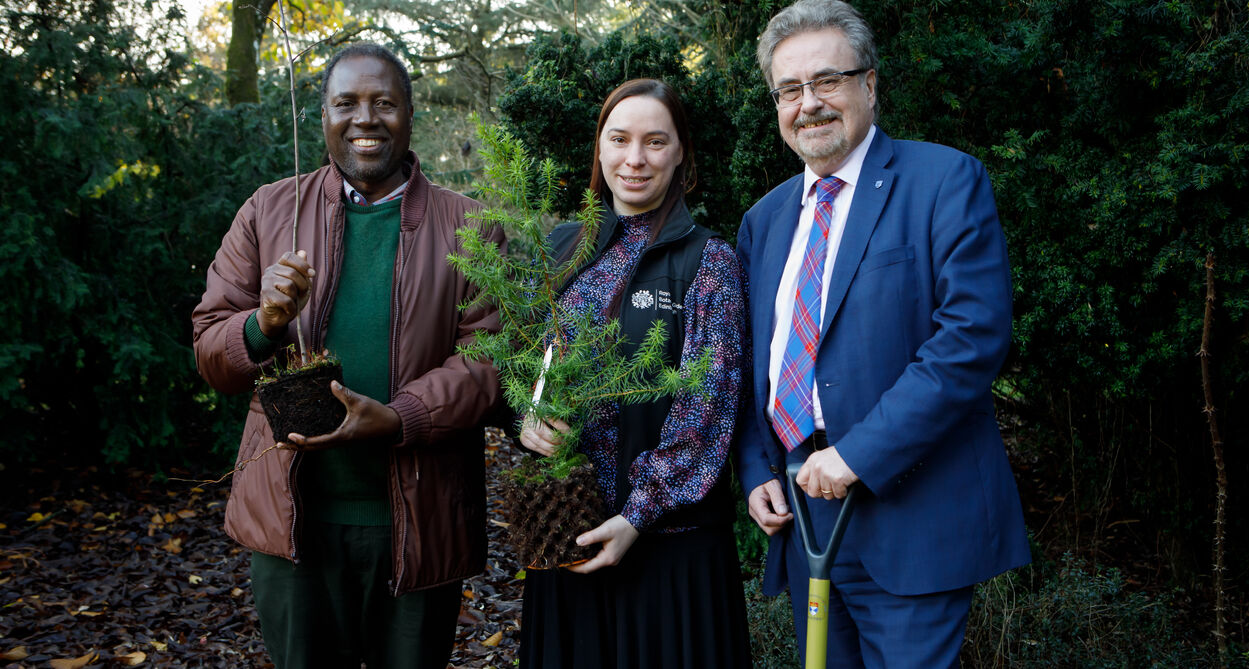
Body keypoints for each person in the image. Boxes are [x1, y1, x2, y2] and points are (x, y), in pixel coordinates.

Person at [734, 1, 1032, 666]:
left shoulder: (944, 180)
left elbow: (969, 342)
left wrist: (856, 455)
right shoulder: (765, 221)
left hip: (913, 515)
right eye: (790, 89)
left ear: (870, 83)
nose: (808, 103)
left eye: (827, 80)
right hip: (803, 511)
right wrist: (756, 468)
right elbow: (757, 356)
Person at [191, 43, 503, 669]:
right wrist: (264, 322)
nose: (366, 118)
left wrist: (398, 418)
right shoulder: (269, 212)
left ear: (410, 115)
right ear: (324, 117)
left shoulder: (471, 226)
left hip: (420, 519)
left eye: (384, 103)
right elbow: (211, 352)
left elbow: (489, 364)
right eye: (347, 103)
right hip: (295, 524)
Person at [516, 78, 752, 669]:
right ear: (600, 148)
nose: (635, 158)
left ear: (680, 155)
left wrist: (637, 514)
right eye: (619, 139)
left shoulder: (709, 261)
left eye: (655, 141)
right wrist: (526, 416)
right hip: (568, 530)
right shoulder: (561, 249)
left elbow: (708, 406)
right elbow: (528, 364)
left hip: (670, 549)